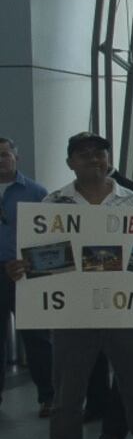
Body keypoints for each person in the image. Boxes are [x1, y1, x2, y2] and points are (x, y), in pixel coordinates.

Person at [5, 132, 133, 439]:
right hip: (72, 312)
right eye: (83, 154)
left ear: (108, 160)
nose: (92, 159)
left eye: (99, 153)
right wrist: (23, 267)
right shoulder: (54, 202)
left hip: (124, 309)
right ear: (70, 162)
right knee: (67, 397)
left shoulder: (132, 200)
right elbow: (47, 257)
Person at [0, 136, 54, 416]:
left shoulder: (34, 192)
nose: (0, 161)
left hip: (25, 271)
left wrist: (36, 268)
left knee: (36, 337)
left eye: (4, 155)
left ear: (15, 158)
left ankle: (48, 396)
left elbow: (50, 237)